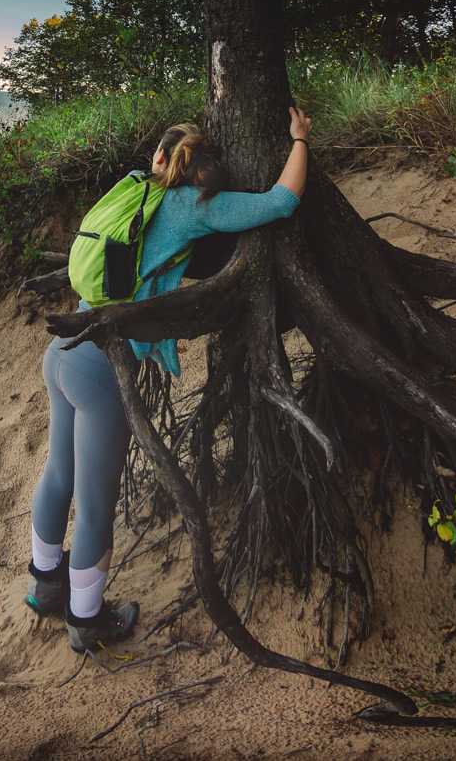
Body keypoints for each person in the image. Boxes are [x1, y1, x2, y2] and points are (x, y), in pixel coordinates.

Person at [25, 107, 312, 654]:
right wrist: (299, 141)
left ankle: (45, 587)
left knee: (57, 472)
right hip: (102, 367)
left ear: (159, 157)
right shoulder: (193, 206)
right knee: (95, 502)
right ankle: (87, 622)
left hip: (63, 348)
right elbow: (281, 202)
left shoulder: (132, 187)